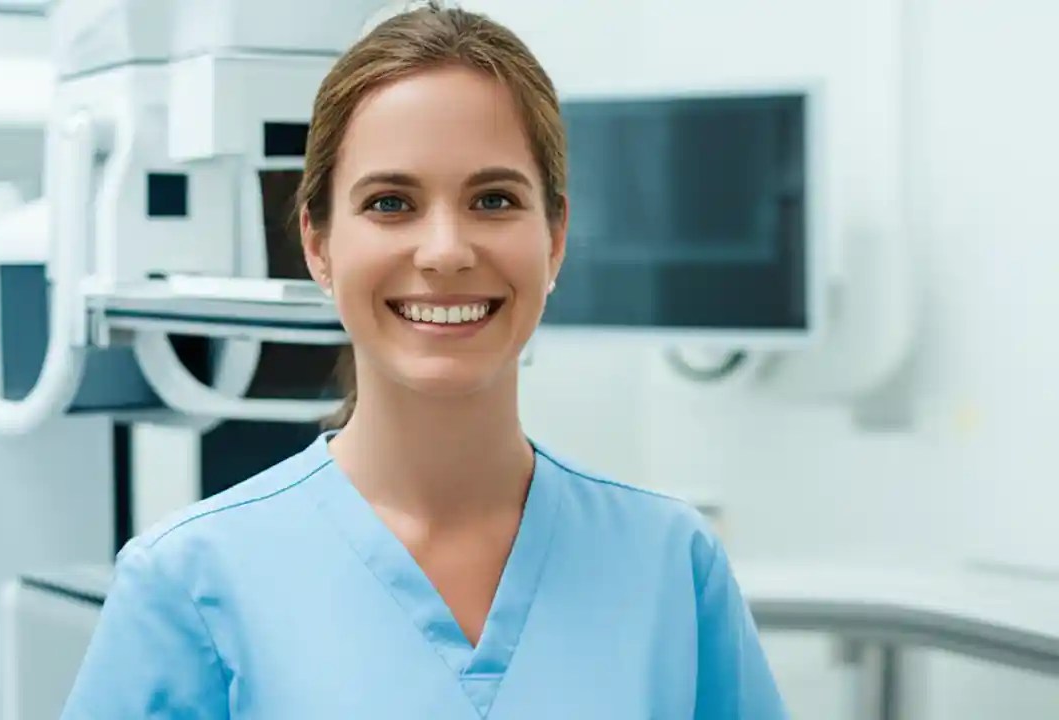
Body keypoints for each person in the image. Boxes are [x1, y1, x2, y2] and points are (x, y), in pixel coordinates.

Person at [60, 3, 788, 718]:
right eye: (390, 204)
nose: (445, 251)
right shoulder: (190, 586)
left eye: (494, 199)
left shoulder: (670, 568)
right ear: (318, 244)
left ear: (556, 236)